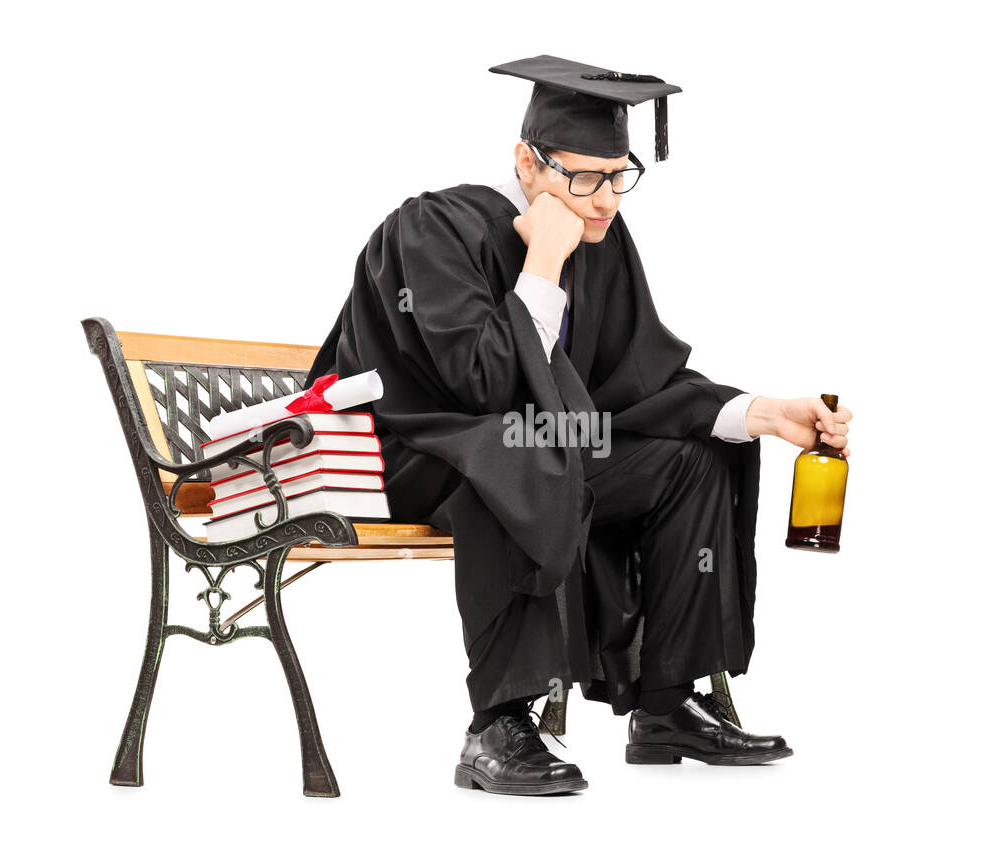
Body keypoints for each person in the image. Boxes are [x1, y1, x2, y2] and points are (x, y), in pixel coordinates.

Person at [304, 54, 852, 796]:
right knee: (517, 449)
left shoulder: (602, 236)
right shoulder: (432, 227)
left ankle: (665, 701)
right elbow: (483, 384)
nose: (604, 201)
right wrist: (543, 264)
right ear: (526, 162)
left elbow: (636, 380)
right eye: (582, 177)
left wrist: (759, 412)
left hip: (531, 449)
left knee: (693, 456)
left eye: (618, 174)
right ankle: (497, 723)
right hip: (408, 452)